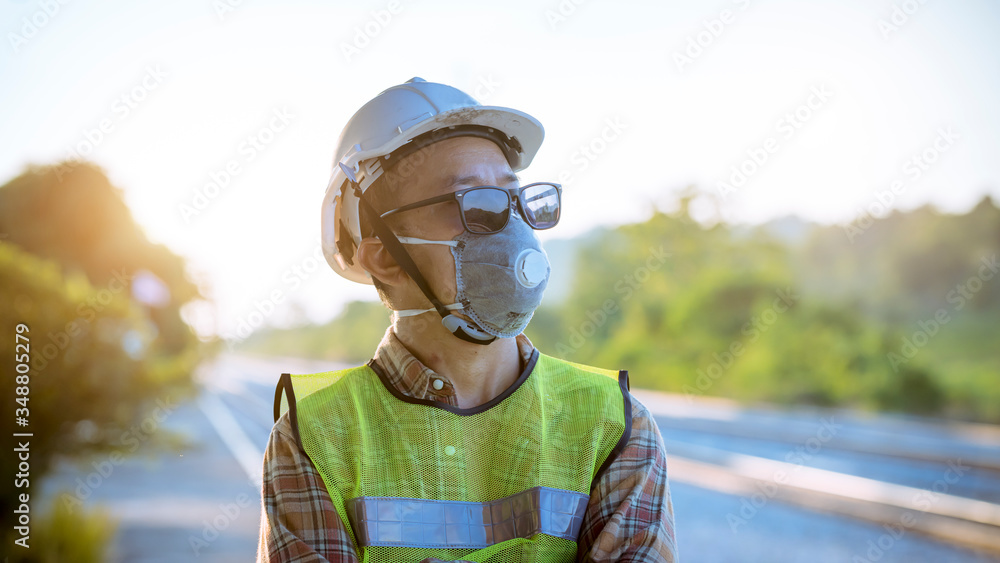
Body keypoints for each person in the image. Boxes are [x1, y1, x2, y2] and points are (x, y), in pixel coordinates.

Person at [256, 77, 678, 562]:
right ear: (385, 257)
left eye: (514, 197)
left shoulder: (613, 425)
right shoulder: (313, 435)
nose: (512, 226)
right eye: (473, 203)